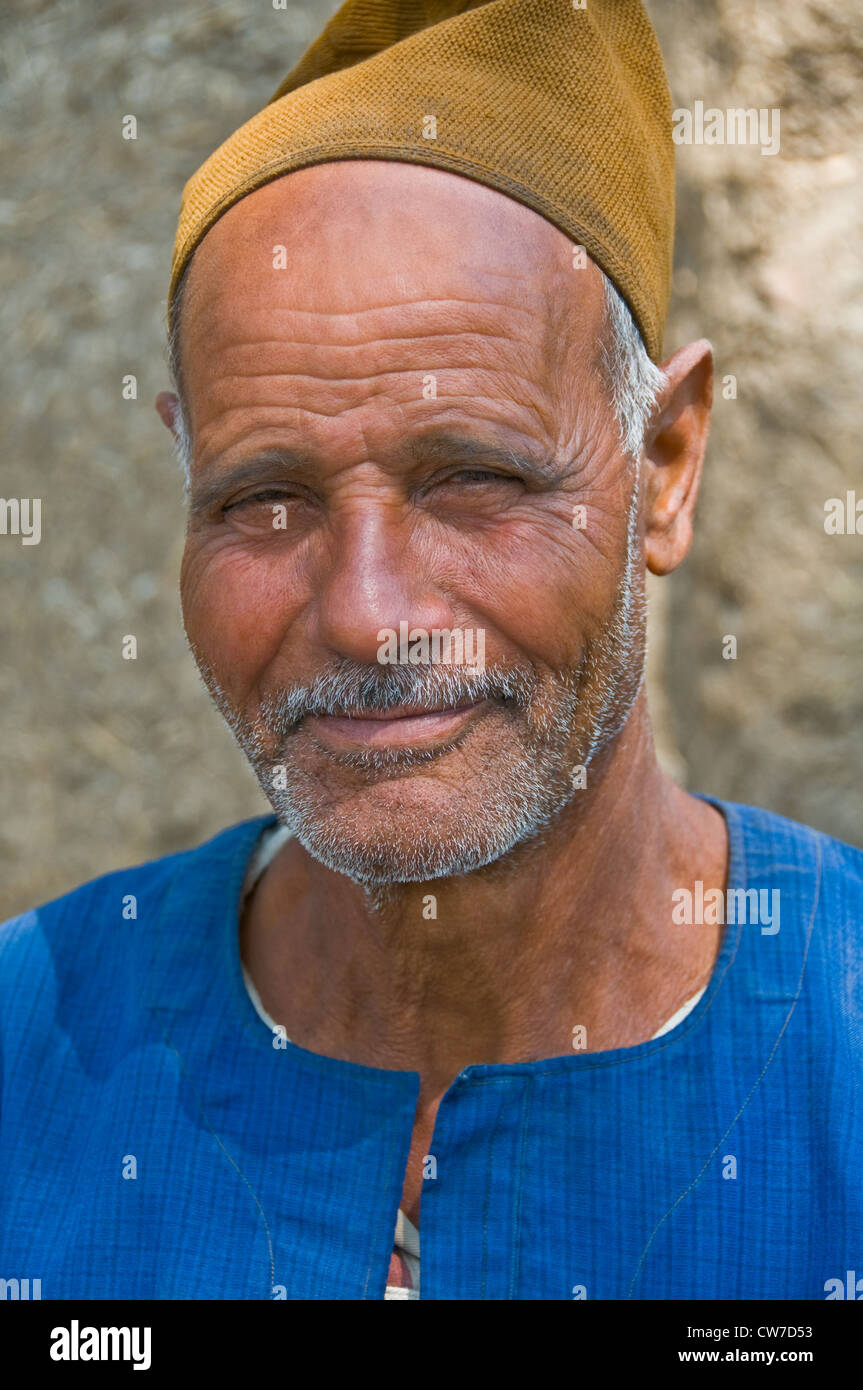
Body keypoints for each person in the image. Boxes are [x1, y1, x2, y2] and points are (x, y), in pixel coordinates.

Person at [1, 0, 860, 1301]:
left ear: (667, 465)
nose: (363, 612)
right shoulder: (33, 1044)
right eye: (264, 498)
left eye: (474, 479)